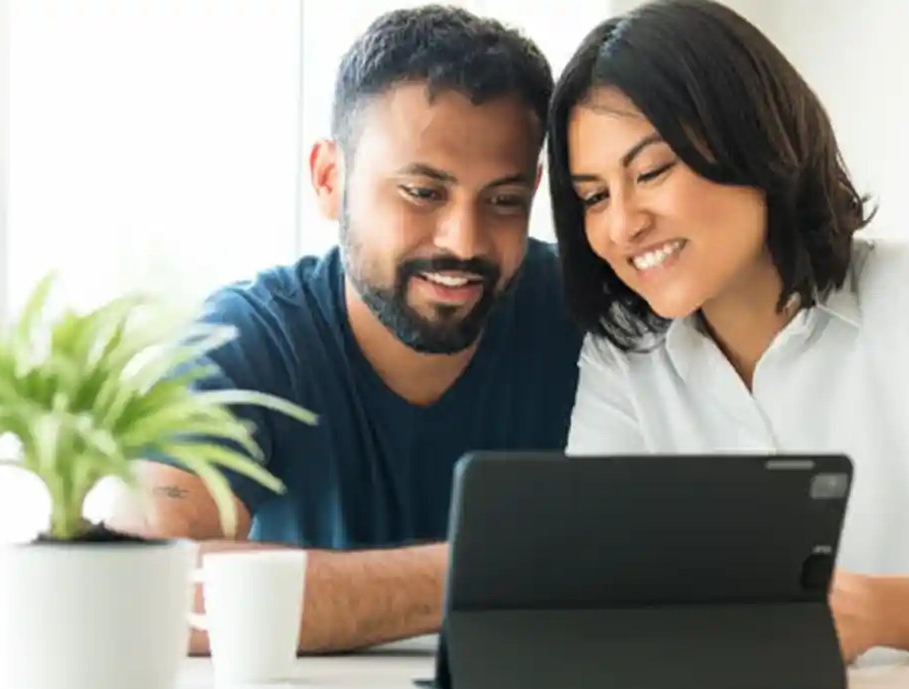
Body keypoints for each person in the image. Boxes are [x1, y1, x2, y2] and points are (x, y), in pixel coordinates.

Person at [548, 0, 909, 663]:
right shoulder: (624, 360)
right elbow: (594, 582)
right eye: (593, 197)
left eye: (651, 172)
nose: (622, 225)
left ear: (752, 140)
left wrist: (868, 612)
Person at [109, 6, 581, 653]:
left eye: (503, 201)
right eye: (422, 191)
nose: (464, 241)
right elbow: (140, 586)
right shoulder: (249, 340)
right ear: (330, 179)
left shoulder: (585, 323)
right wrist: (492, 570)